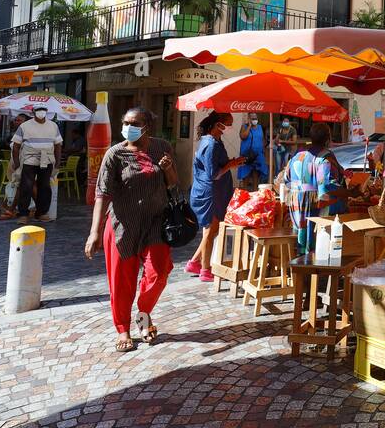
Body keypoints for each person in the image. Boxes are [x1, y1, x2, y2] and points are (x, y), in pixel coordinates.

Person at [84, 106, 178, 354]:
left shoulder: (162, 147)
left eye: (134, 123)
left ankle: (143, 311)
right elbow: (102, 193)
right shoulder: (115, 154)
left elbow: (173, 182)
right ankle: (122, 328)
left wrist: (168, 169)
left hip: (155, 222)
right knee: (121, 281)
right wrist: (95, 231)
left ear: (147, 126)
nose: (128, 127)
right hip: (122, 224)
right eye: (125, 122)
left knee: (159, 272)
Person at [284, 123, 347, 256]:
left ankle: (301, 267)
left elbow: (286, 180)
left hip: (297, 208)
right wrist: (351, 192)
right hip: (317, 208)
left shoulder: (298, 155)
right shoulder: (325, 157)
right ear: (327, 139)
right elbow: (326, 187)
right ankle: (318, 269)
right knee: (319, 241)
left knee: (301, 239)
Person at [187, 112, 234, 280]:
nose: (229, 128)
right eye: (227, 124)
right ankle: (205, 270)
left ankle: (194, 262)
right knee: (209, 231)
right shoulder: (211, 144)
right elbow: (213, 173)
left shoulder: (215, 141)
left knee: (212, 230)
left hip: (216, 192)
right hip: (210, 193)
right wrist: (231, 164)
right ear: (217, 124)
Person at [12, 104, 63, 224]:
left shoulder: (53, 126)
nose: (41, 112)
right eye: (38, 110)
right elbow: (16, 146)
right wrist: (17, 163)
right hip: (29, 160)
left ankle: (42, 213)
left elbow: (58, 145)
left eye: (43, 110)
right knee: (26, 187)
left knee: (44, 187)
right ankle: (23, 214)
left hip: (47, 160)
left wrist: (57, 162)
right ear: (33, 112)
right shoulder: (24, 126)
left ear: (46, 111)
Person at [237, 114, 268, 192]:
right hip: (247, 155)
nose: (254, 120)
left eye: (255, 118)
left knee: (256, 174)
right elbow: (243, 136)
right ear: (249, 119)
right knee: (246, 174)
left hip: (258, 155)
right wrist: (249, 126)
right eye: (252, 118)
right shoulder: (244, 126)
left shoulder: (260, 127)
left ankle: (255, 192)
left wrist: (264, 151)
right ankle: (245, 193)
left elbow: (263, 139)